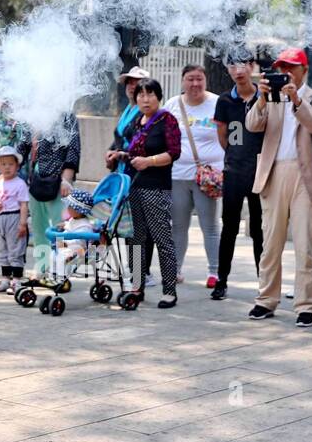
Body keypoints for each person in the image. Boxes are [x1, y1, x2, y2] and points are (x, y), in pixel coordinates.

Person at [244, 47, 312, 326]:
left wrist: (295, 99)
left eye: (291, 67)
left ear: (304, 70)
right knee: (270, 243)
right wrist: (261, 98)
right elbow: (252, 126)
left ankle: (306, 304)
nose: (286, 72)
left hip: (306, 176)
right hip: (274, 172)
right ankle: (266, 299)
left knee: (305, 244)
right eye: (282, 67)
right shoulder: (269, 98)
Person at [106, 77, 181, 308]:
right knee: (134, 239)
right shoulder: (137, 120)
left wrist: (149, 161)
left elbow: (174, 153)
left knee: (161, 238)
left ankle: (169, 290)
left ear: (159, 97)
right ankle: (137, 286)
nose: (145, 99)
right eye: (141, 94)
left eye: (150, 94)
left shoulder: (167, 120)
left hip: (156, 187)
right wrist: (118, 155)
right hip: (132, 186)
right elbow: (128, 148)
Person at [164, 64, 224, 288]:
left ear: (206, 81)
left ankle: (214, 272)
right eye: (190, 79)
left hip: (207, 177)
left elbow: (229, 136)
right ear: (182, 81)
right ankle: (175, 269)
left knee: (209, 226)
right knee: (178, 225)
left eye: (199, 79)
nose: (195, 84)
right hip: (178, 174)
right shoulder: (172, 105)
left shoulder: (218, 103)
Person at [211, 55, 264, 301]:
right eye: (233, 65)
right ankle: (222, 279)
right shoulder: (224, 100)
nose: (238, 70)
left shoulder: (263, 96)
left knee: (259, 228)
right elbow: (222, 136)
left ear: (252, 67)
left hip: (260, 170)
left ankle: (263, 280)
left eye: (243, 64)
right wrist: (234, 156)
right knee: (229, 226)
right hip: (233, 170)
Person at [18, 113, 80, 281]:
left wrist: (66, 180)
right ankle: (42, 267)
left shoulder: (67, 117)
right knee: (39, 229)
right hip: (36, 181)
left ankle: (61, 270)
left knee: (60, 229)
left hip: (58, 182)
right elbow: (22, 147)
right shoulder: (33, 115)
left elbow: (73, 151)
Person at [0, 145, 30, 293]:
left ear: (17, 166)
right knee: (2, 249)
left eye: (11, 164)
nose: (7, 167)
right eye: (3, 164)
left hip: (14, 217)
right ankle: (5, 279)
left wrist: (23, 224)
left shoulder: (20, 183)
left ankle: (16, 281)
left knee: (16, 249)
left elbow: (24, 204)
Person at [51, 188, 100, 278]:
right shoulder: (74, 219)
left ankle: (62, 278)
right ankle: (53, 274)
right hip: (65, 245)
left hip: (77, 250)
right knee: (52, 256)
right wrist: (64, 224)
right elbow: (71, 226)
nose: (68, 208)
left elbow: (80, 240)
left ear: (79, 211)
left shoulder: (85, 226)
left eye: (70, 207)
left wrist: (66, 243)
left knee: (62, 258)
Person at [113, 66, 150, 150]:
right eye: (129, 82)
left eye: (137, 83)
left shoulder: (146, 112)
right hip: (120, 161)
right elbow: (119, 137)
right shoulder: (128, 110)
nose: (132, 87)